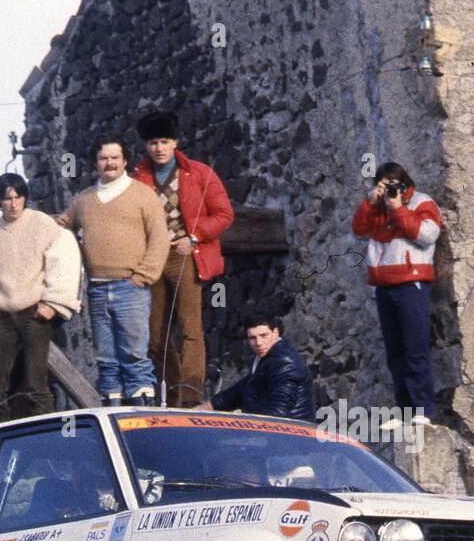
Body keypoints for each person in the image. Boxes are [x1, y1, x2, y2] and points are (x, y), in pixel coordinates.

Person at [132, 111, 235, 408]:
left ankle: (190, 395)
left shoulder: (199, 172)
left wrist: (193, 238)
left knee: (190, 326)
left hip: (185, 255)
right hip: (152, 258)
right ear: (146, 146)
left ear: (175, 142)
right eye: (152, 142)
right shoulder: (137, 179)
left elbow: (224, 215)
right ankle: (174, 392)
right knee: (154, 334)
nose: (159, 148)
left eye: (164, 141)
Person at [62, 136, 169, 407]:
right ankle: (114, 414)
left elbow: (159, 239)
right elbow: (62, 228)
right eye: (103, 158)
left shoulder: (143, 195)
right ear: (96, 163)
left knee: (134, 356)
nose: (109, 163)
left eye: (114, 158)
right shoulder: (84, 200)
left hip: (130, 287)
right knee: (106, 359)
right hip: (97, 289)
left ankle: (142, 417)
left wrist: (142, 277)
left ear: (124, 161)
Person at [0, 173, 82, 424]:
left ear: (24, 198)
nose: (13, 203)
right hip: (3, 316)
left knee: (36, 383)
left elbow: (64, 257)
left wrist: (53, 303)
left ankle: (43, 435)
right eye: (6, 198)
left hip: (34, 313)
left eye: (17, 197)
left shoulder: (42, 223)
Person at [351, 162, 442, 423]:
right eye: (384, 184)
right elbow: (358, 231)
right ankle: (404, 411)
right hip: (384, 286)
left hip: (411, 284)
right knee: (395, 352)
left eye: (394, 184)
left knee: (415, 348)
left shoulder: (422, 202)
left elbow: (426, 235)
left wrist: (399, 209)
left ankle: (422, 410)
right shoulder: (377, 208)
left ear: (404, 184)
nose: (390, 189)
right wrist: (371, 203)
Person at [206, 315, 315, 420]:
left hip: (289, 434)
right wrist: (207, 407)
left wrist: (240, 421)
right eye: (252, 338)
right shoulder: (267, 357)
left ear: (275, 333)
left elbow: (279, 413)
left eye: (264, 336)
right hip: (271, 430)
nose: (258, 343)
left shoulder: (284, 362)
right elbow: (241, 389)